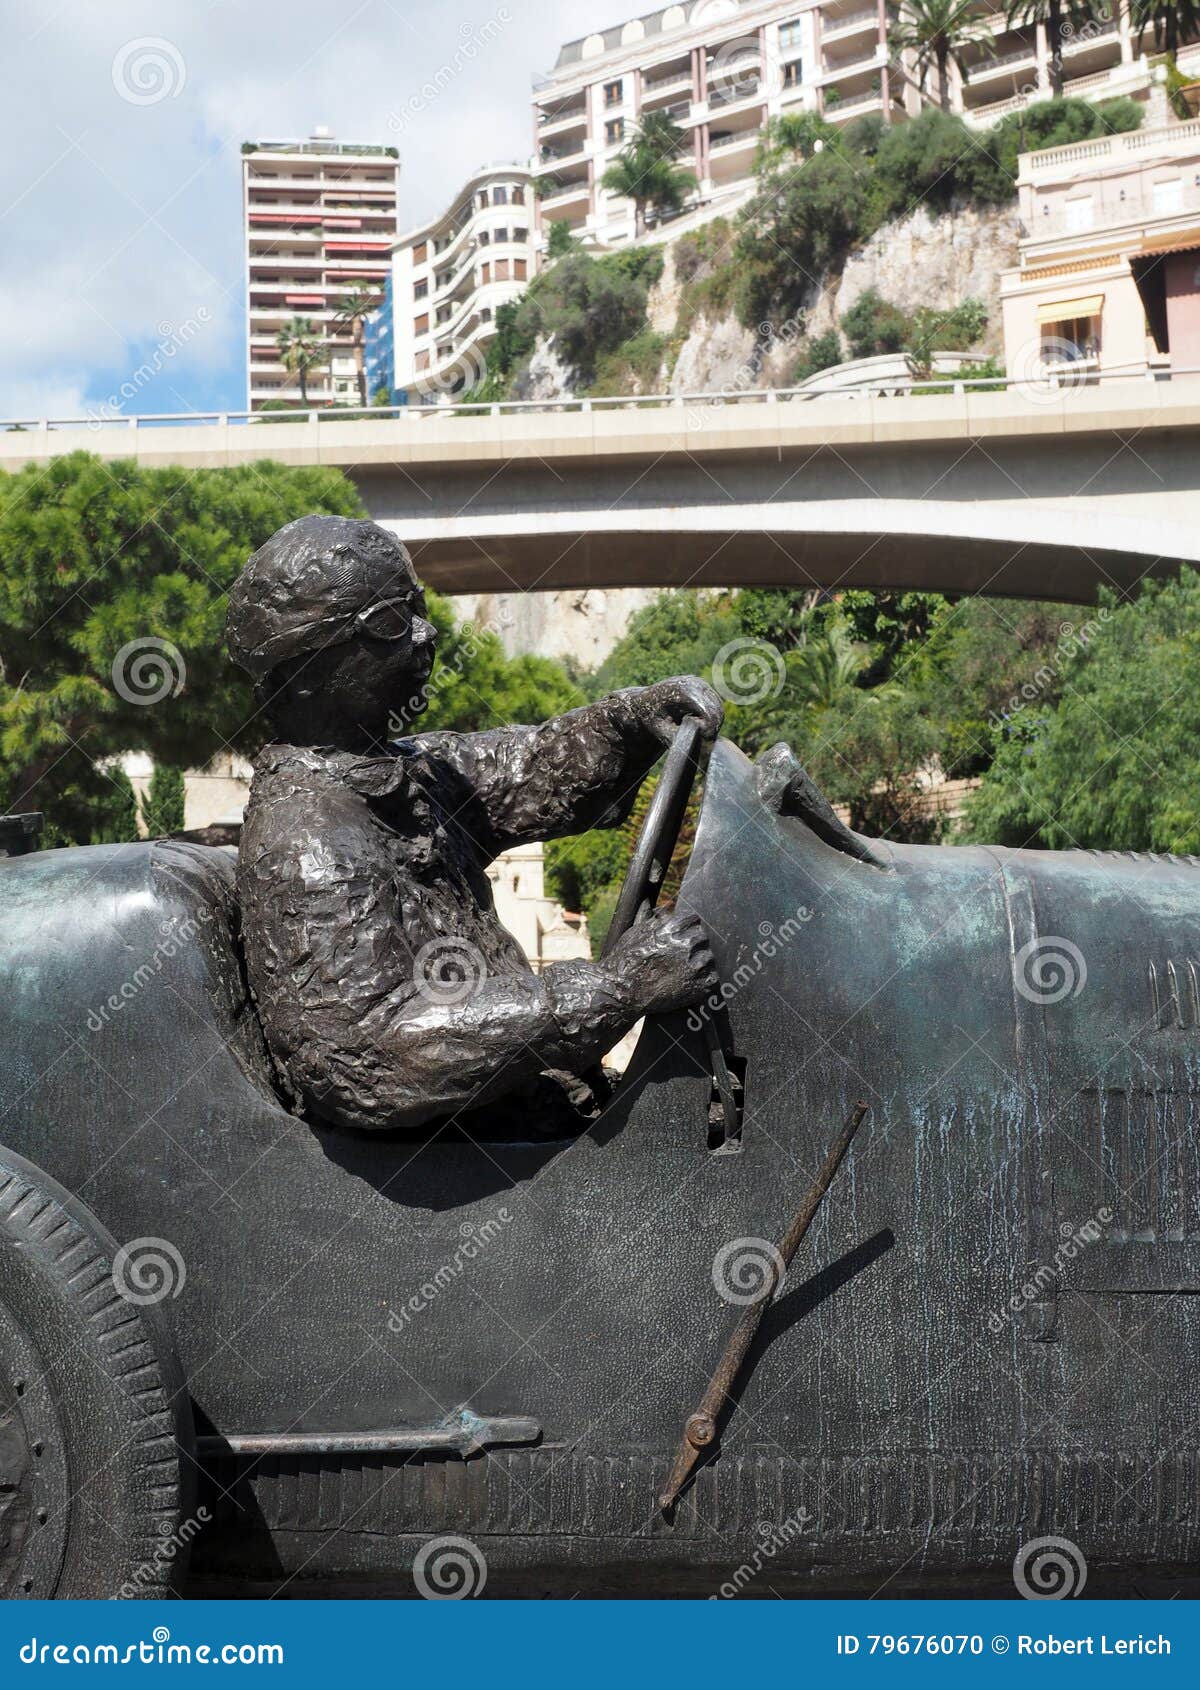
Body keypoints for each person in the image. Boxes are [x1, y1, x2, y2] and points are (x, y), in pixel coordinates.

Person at [226, 515, 722, 1135]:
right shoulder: (305, 841)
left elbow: (536, 770)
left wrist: (633, 720)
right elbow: (371, 1056)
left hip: (529, 1115)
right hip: (473, 1168)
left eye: (417, 608)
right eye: (387, 625)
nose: (424, 634)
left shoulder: (406, 769)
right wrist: (614, 991)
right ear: (304, 671)